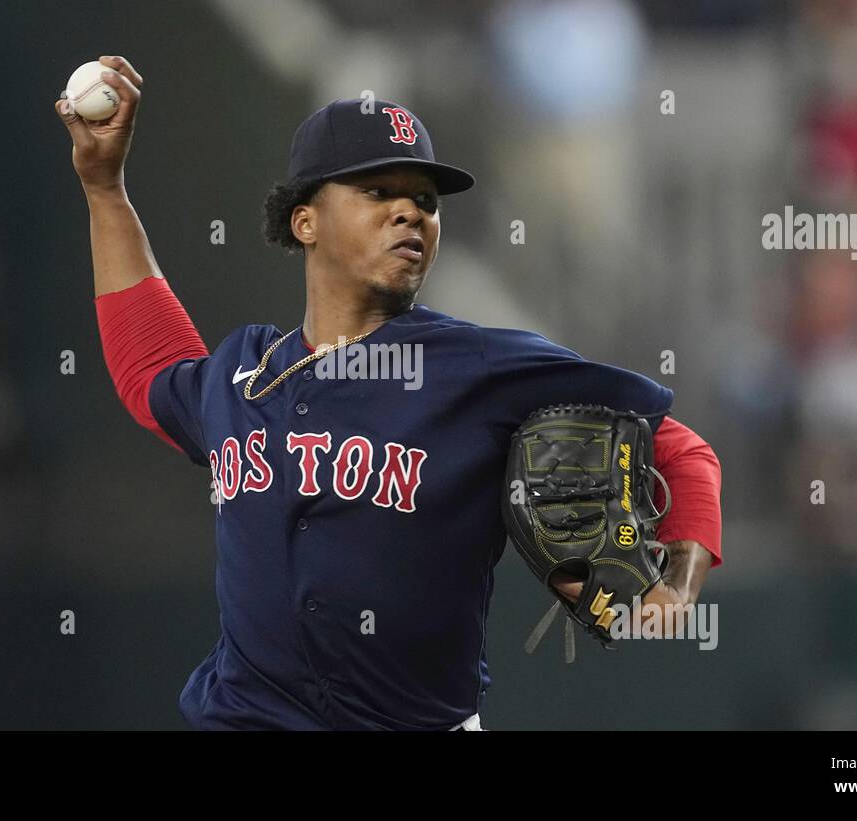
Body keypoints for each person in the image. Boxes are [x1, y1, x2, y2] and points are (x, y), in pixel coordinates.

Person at [55, 56, 723, 730]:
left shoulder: (480, 366)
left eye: (426, 200)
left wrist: (679, 582)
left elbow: (681, 448)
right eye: (377, 190)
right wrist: (104, 189)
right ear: (304, 221)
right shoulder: (244, 371)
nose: (412, 211)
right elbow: (150, 370)